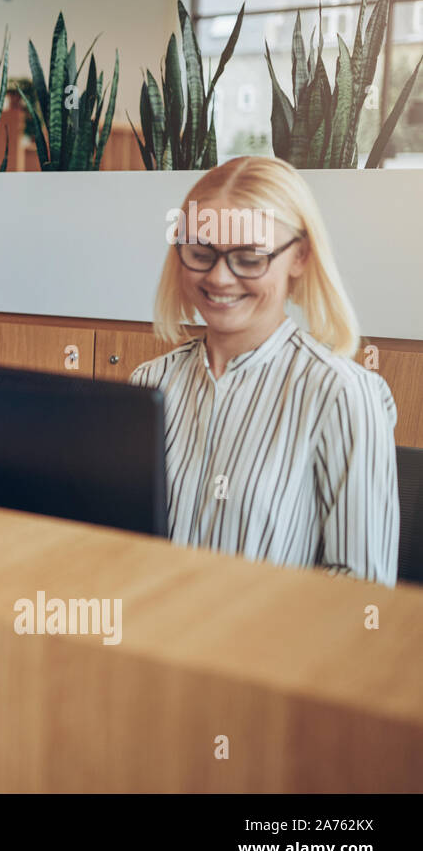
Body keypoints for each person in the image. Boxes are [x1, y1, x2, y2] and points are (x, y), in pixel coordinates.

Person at [130, 156, 398, 586]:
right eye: (201, 253)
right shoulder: (149, 384)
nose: (219, 277)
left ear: (300, 257)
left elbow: (360, 589)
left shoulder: (342, 394)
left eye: (250, 258)